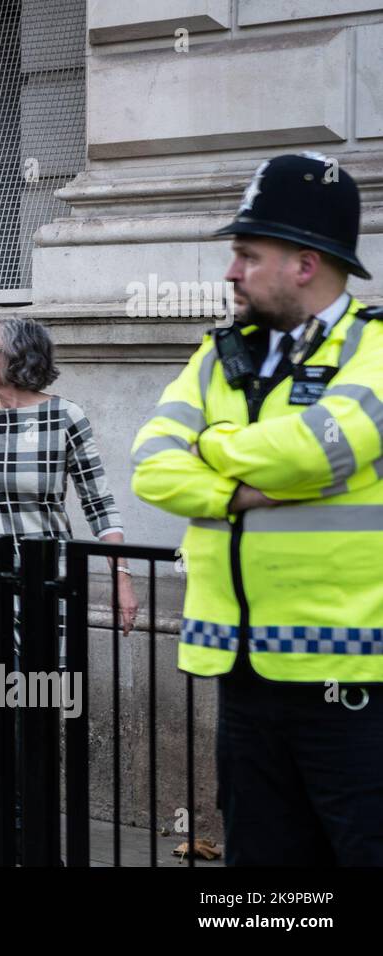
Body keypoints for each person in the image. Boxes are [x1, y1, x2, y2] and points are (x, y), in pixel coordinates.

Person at [132, 153, 383, 866]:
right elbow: (151, 463)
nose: (230, 272)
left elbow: (314, 450)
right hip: (243, 674)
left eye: (247, 253)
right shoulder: (218, 357)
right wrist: (235, 487)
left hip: (353, 680)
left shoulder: (376, 347)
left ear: (305, 264)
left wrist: (209, 446)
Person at [0, 316, 139, 866]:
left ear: (18, 358)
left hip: (45, 576)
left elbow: (99, 502)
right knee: (0, 684)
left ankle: (20, 817)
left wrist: (121, 575)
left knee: (32, 697)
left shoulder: (65, 416)